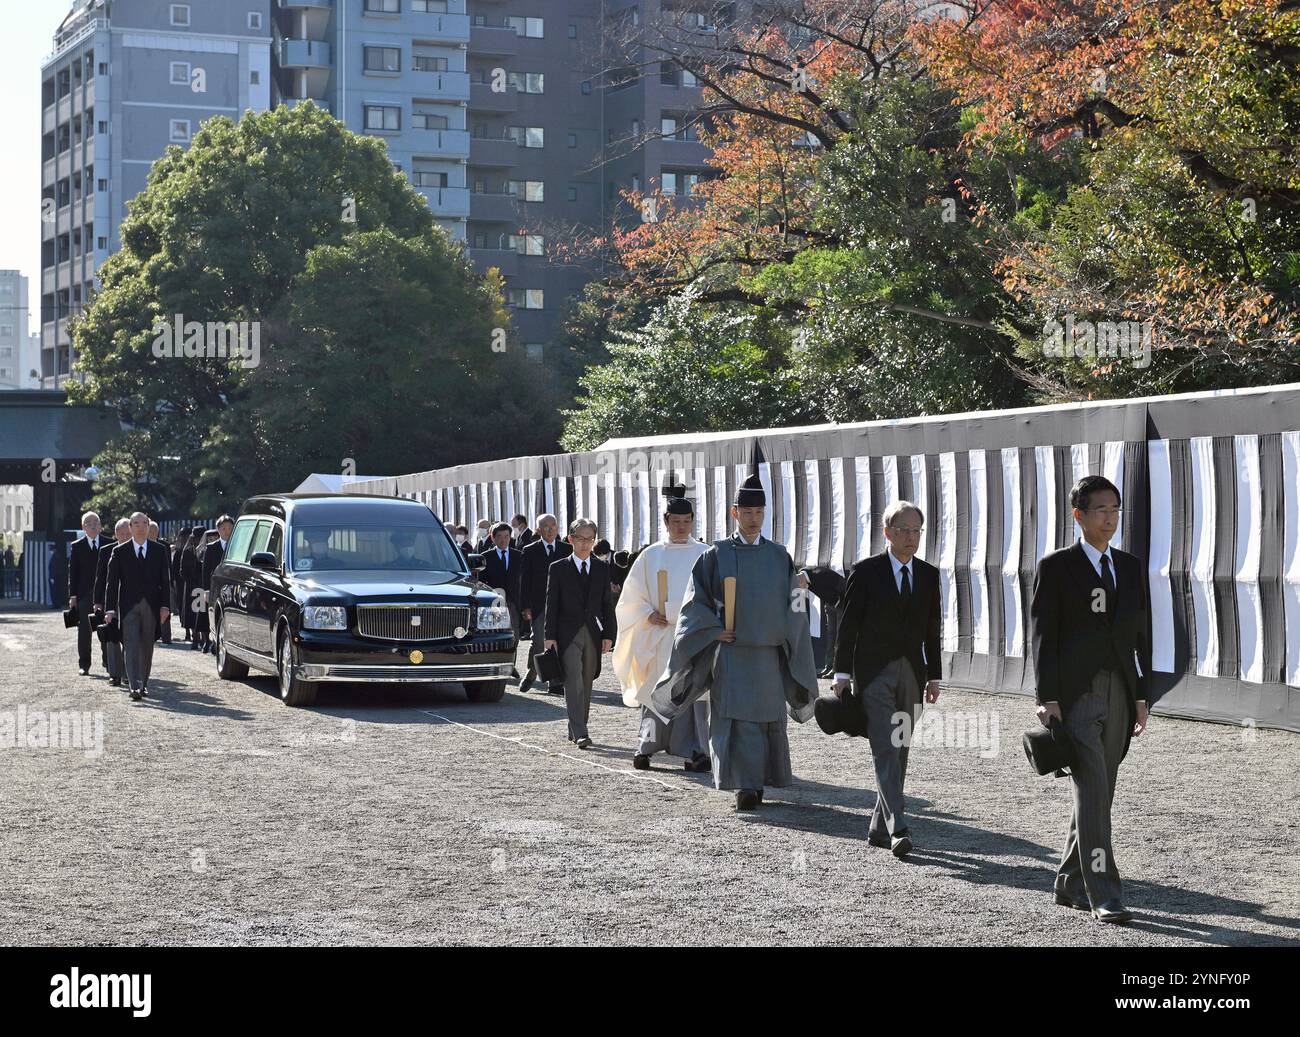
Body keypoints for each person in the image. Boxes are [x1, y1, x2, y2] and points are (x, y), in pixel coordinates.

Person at [650, 475, 818, 811]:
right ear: (734, 512)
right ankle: (744, 785)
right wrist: (713, 629)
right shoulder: (717, 554)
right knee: (736, 720)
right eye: (747, 511)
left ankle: (760, 782)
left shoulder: (779, 555)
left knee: (766, 719)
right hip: (732, 652)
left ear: (765, 514)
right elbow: (694, 601)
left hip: (768, 654)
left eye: (759, 511)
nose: (753, 518)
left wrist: (800, 592)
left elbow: (794, 605)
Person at [1031, 474, 1151, 925]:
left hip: (1120, 692)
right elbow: (1043, 636)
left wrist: (1141, 696)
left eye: (1116, 509)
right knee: (1094, 792)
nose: (1111, 518)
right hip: (1076, 697)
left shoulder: (1130, 565)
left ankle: (1068, 880)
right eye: (1101, 510)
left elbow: (1141, 636)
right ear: (1078, 515)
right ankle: (1104, 891)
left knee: (1100, 795)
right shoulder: (1057, 566)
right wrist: (1048, 697)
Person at [831, 501, 943, 857]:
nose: (911, 537)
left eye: (916, 531)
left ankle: (880, 827)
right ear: (887, 532)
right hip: (874, 673)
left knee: (901, 749)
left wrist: (935, 676)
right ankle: (899, 827)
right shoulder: (865, 572)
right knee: (885, 746)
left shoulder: (928, 574)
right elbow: (848, 625)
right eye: (903, 530)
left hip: (913, 672)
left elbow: (932, 630)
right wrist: (842, 673)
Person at [614, 487, 711, 772]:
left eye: (686, 521)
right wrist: (647, 613)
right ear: (666, 521)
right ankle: (646, 746)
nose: (681, 527)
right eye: (676, 521)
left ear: (692, 521)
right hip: (659, 634)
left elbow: (713, 595)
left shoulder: (705, 554)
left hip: (692, 636)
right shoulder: (651, 555)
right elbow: (632, 596)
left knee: (693, 694)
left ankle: (696, 750)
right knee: (656, 691)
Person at [544, 518, 617, 748]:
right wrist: (549, 636)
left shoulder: (602, 569)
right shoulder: (558, 568)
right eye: (580, 538)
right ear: (570, 539)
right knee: (573, 680)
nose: (585, 544)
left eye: (589, 539)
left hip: (593, 632)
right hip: (567, 633)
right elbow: (551, 604)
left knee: (586, 681)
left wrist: (609, 635)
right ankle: (581, 731)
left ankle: (576, 727)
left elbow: (607, 604)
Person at [104, 512, 171, 702]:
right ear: (130, 528)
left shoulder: (159, 550)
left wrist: (166, 605)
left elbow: (165, 580)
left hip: (151, 605)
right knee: (131, 644)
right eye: (136, 524)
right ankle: (134, 685)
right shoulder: (119, 551)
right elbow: (111, 582)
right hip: (128, 606)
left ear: (149, 527)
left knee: (146, 646)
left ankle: (144, 682)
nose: (141, 527)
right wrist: (110, 609)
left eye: (144, 524)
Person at [518, 513, 572, 694]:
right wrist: (525, 606)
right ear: (539, 530)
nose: (550, 529)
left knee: (558, 642)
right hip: (539, 605)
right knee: (539, 642)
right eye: (546, 526)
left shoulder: (567, 549)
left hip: (563, 604)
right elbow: (524, 581)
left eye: (553, 525)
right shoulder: (530, 550)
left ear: (558, 528)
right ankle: (532, 672)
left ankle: (555, 682)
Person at [68, 511, 107, 677]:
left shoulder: (109, 543)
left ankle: (109, 662)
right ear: (83, 527)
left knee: (106, 627)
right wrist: (73, 596)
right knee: (84, 630)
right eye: (89, 522)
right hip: (84, 594)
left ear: (100, 525)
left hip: (105, 593)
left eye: (96, 521)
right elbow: (73, 572)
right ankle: (84, 664)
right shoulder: (77, 546)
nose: (93, 524)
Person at [93, 518, 131, 686]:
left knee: (130, 638)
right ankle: (114, 674)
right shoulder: (106, 550)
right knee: (113, 637)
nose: (124, 537)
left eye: (127, 534)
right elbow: (100, 579)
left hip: (130, 601)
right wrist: (98, 601)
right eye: (121, 534)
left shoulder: (136, 550)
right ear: (116, 534)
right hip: (112, 602)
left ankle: (127, 672)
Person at [481, 521, 524, 638]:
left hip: (514, 601)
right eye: (499, 536)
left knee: (515, 634)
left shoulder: (519, 556)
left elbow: (524, 580)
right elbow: (481, 582)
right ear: (493, 538)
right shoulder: (486, 557)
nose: (503, 540)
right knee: (496, 635)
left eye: (506, 536)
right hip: (495, 601)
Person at [199, 516, 234, 650]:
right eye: (223, 528)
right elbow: (205, 570)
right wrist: (206, 590)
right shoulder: (211, 548)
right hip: (215, 587)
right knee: (215, 615)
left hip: (231, 587)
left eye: (230, 528)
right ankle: (215, 642)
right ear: (218, 530)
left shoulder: (238, 545)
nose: (227, 531)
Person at [148, 521, 173, 644]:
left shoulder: (164, 546)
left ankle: (166, 636)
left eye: (154, 531)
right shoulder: (143, 545)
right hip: (149, 582)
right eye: (150, 531)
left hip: (162, 581)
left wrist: (170, 580)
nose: (152, 534)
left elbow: (169, 565)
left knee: (165, 607)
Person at [170, 528, 191, 641]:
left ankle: (194, 632)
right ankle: (187, 632)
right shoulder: (178, 553)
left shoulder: (194, 550)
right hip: (180, 584)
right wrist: (174, 582)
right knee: (182, 608)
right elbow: (174, 570)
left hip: (191, 583)